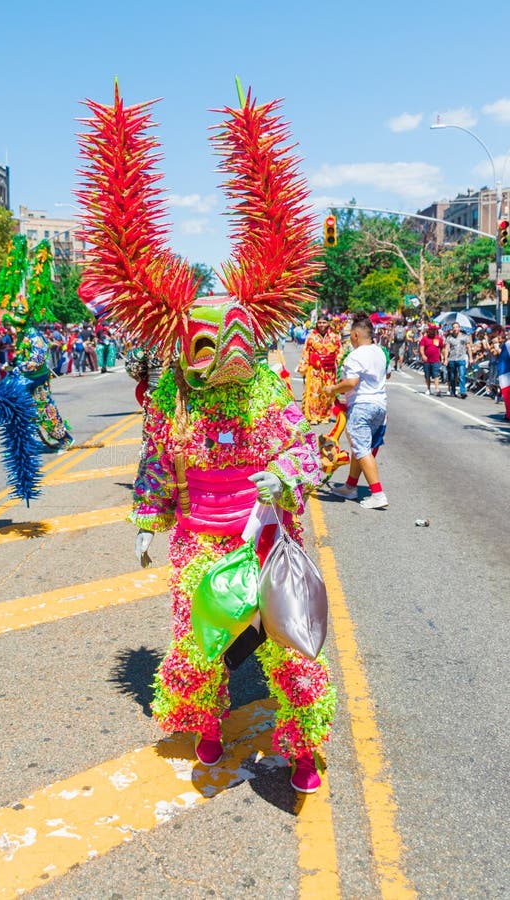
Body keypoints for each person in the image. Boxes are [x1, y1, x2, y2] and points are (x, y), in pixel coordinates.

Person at [77, 82, 335, 793]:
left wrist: (284, 483)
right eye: (203, 344)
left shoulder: (264, 386)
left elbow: (301, 444)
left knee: (289, 641)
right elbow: (158, 460)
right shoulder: (170, 393)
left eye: (234, 340)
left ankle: (304, 748)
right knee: (201, 638)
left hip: (265, 532)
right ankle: (213, 726)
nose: (220, 355)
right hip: (199, 535)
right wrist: (142, 517)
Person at [0, 235, 73, 451]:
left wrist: (21, 367)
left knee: (45, 409)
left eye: (19, 315)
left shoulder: (34, 336)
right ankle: (29, 441)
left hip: (36, 379)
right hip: (26, 379)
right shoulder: (21, 337)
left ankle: (64, 438)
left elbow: (38, 358)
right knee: (23, 409)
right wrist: (13, 365)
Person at [325, 314, 388, 510]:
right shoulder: (379, 352)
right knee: (361, 449)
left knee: (361, 449)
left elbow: (351, 383)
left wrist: (332, 389)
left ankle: (377, 494)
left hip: (362, 406)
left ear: (355, 334)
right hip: (380, 406)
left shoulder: (356, 355)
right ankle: (351, 486)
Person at [296, 315, 342, 423]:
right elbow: (306, 352)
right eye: (320, 322)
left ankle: (325, 415)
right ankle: (313, 416)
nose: (322, 325)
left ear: (328, 323)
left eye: (324, 322)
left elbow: (339, 352)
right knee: (314, 392)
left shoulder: (334, 337)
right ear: (317, 323)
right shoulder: (311, 337)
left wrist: (340, 364)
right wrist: (303, 366)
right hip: (315, 370)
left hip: (329, 370)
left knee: (327, 393)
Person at [443, 322, 473, 398]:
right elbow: (446, 349)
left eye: (457, 327)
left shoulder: (465, 337)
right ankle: (453, 391)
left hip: (461, 359)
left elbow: (469, 348)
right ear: (452, 329)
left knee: (462, 375)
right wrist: (446, 359)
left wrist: (471, 358)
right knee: (452, 377)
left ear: (459, 328)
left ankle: (462, 392)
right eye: (454, 327)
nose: (455, 329)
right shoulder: (449, 337)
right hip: (452, 359)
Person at [419, 324, 444, 395]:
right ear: (428, 330)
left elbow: (442, 347)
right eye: (431, 329)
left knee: (436, 374)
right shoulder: (424, 338)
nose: (432, 331)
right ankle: (428, 388)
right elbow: (421, 348)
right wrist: (423, 355)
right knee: (427, 375)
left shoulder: (439, 338)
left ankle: (437, 389)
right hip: (427, 360)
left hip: (436, 360)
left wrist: (442, 356)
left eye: (434, 330)